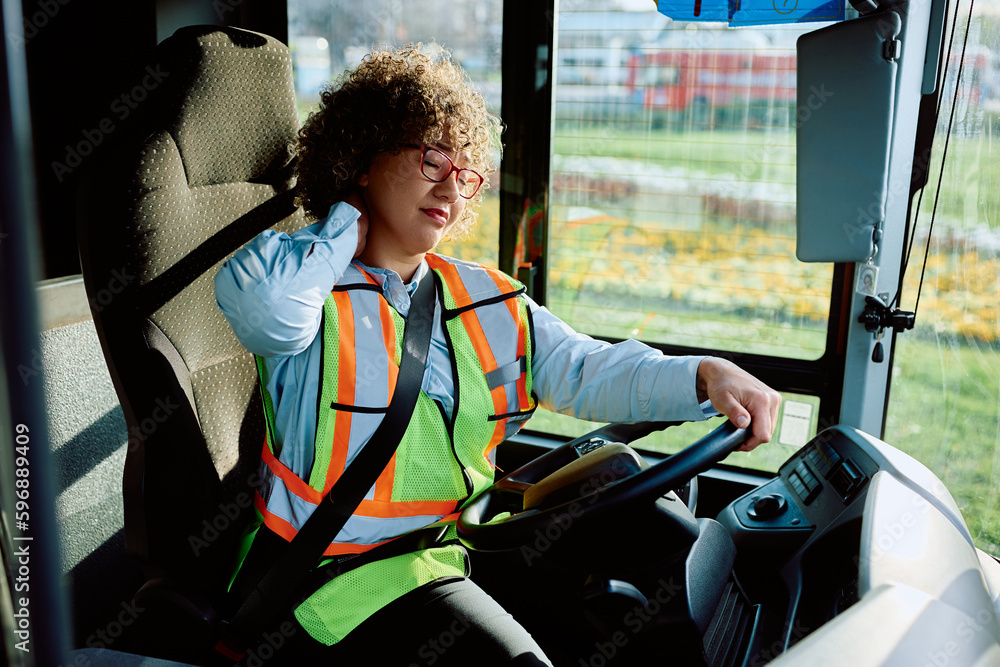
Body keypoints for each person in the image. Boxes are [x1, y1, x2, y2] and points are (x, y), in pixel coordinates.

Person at [214, 44, 781, 665]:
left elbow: (586, 369)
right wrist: (345, 221)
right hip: (337, 582)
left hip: (460, 545)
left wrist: (705, 375)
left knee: (654, 586)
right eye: (433, 159)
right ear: (363, 158)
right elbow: (270, 310)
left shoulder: (481, 295)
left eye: (466, 173)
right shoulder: (300, 286)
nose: (452, 188)